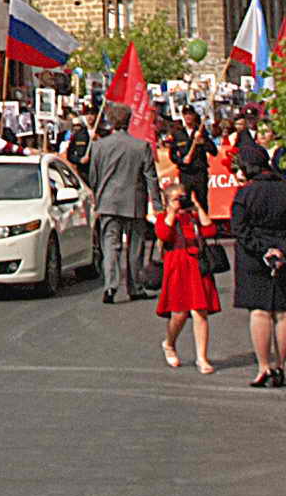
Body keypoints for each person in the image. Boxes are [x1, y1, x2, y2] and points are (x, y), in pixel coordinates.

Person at [228, 141, 286, 389]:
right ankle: (280, 365)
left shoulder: (245, 194)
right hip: (284, 254)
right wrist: (283, 249)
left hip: (253, 256)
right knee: (283, 311)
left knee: (259, 312)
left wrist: (263, 249)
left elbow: (239, 228)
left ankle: (263, 366)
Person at [86, 112, 159, 302]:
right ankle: (135, 287)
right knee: (135, 247)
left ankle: (110, 286)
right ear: (128, 122)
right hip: (134, 202)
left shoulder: (99, 146)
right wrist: (158, 205)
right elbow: (151, 178)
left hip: (108, 201)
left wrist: (98, 195)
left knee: (110, 245)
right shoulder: (141, 146)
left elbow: (93, 175)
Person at [155, 180, 220, 373]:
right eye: (176, 199)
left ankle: (202, 357)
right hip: (177, 267)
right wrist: (172, 213)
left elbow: (210, 230)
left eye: (182, 198)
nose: (180, 202)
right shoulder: (164, 218)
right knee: (179, 313)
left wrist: (198, 206)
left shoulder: (192, 217)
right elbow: (164, 234)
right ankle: (169, 342)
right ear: (167, 201)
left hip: (197, 266)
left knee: (200, 311)